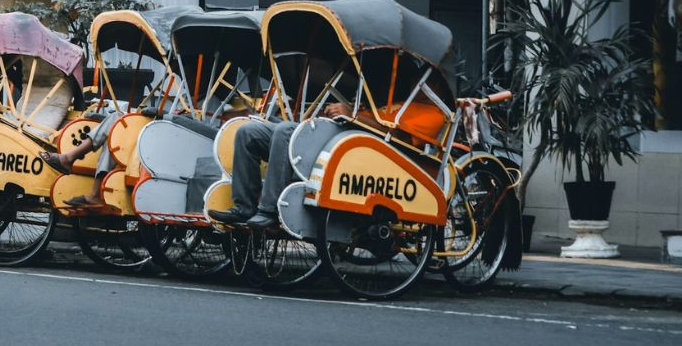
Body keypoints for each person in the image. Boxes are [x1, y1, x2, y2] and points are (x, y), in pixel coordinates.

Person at [210, 98, 447, 228]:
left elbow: (399, 139)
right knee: (248, 132)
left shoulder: (428, 110)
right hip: (337, 136)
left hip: (361, 149)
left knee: (284, 132)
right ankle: (244, 207)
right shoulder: (381, 98)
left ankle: (269, 210)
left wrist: (353, 114)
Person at [42, 93, 256, 207]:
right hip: (166, 134)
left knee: (118, 121)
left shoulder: (213, 102)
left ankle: (72, 158)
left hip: (179, 145)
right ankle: (91, 186)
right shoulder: (187, 95)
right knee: (117, 126)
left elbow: (203, 130)